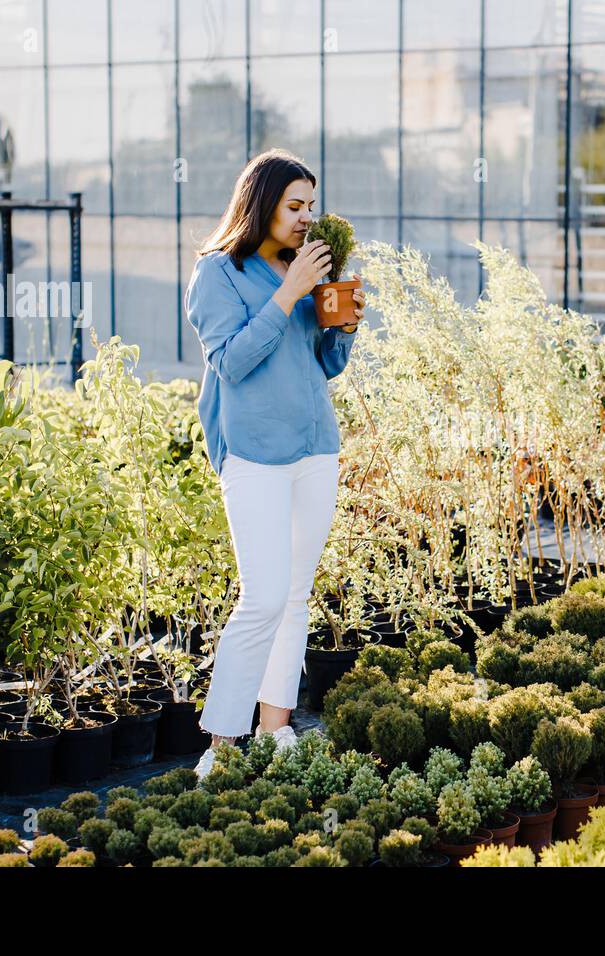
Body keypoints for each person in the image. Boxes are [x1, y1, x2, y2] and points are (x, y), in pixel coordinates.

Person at [183, 147, 363, 779]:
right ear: (261, 205)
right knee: (260, 597)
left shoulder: (305, 269)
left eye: (311, 205)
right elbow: (230, 362)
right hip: (254, 454)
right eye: (294, 205)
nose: (306, 217)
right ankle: (222, 747)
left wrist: (341, 323)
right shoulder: (218, 274)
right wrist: (289, 293)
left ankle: (275, 727)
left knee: (293, 596)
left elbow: (324, 365)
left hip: (315, 448)